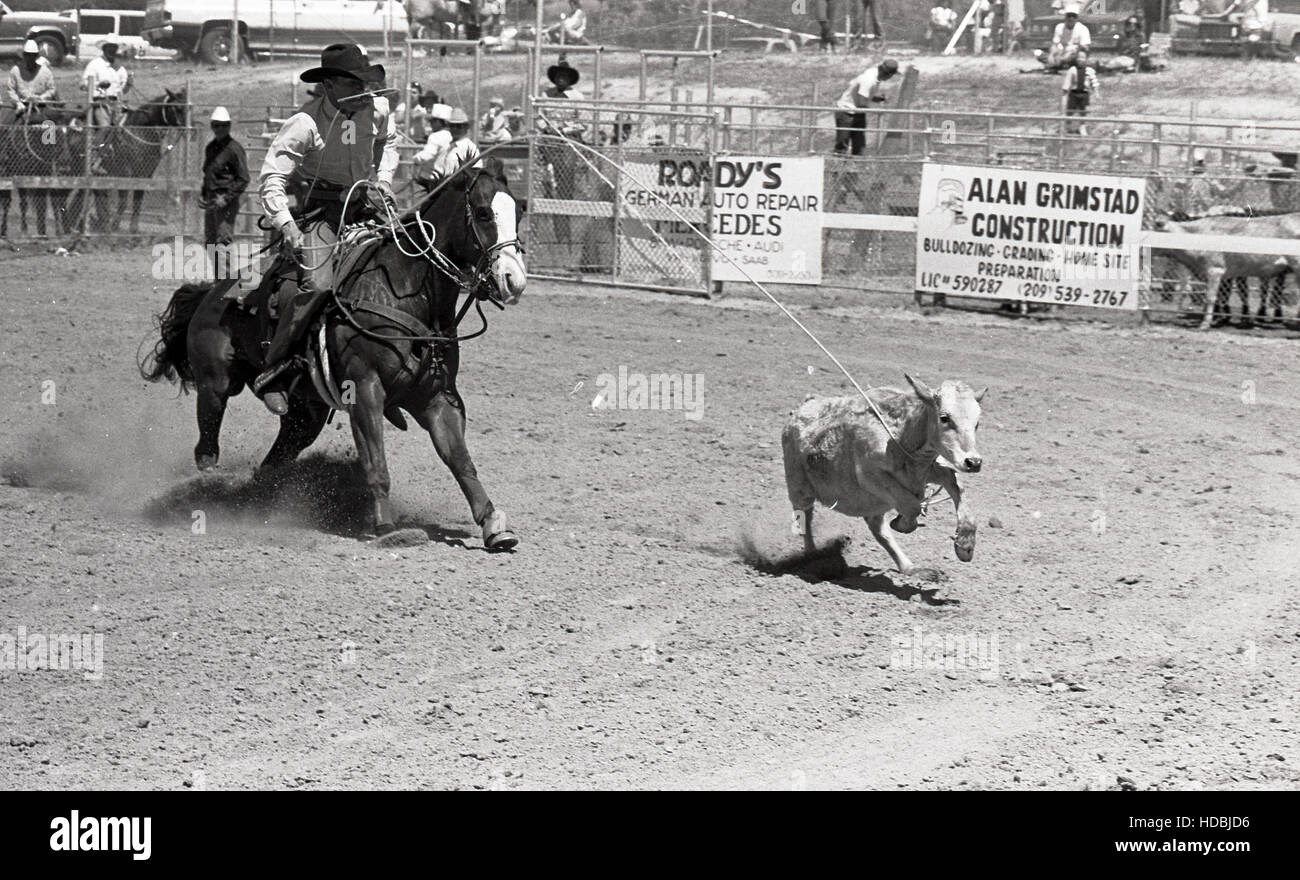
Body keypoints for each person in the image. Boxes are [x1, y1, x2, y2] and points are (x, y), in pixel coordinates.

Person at [251, 44, 400, 416]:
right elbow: (272, 177)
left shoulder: (377, 110)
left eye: (367, 82)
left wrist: (382, 179)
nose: (366, 91)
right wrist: (286, 224)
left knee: (410, 257)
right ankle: (276, 369)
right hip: (322, 210)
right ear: (331, 85)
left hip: (365, 203)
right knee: (317, 284)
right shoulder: (305, 123)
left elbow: (390, 142)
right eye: (356, 83)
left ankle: (402, 369)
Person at [200, 106, 249, 273]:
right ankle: (217, 279)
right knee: (211, 241)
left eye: (223, 125)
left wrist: (226, 198)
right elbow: (207, 173)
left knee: (223, 241)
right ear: (212, 127)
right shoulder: (211, 148)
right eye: (216, 125)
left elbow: (243, 178)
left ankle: (225, 282)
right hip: (211, 198)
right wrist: (204, 194)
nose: (219, 129)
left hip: (225, 199)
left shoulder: (234, 149)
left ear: (229, 126)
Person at [833, 58, 900, 156]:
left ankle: (856, 165)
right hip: (846, 111)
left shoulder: (875, 75)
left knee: (859, 143)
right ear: (889, 75)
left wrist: (876, 98)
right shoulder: (868, 79)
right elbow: (862, 103)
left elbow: (864, 95)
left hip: (857, 112)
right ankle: (838, 166)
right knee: (843, 141)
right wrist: (877, 110)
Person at [83, 35, 132, 127]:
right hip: (99, 102)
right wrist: (99, 85)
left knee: (124, 127)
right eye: (109, 48)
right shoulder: (95, 64)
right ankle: (97, 142)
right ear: (104, 49)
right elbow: (83, 84)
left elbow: (121, 91)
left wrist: (128, 84)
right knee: (104, 127)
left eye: (114, 48)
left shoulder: (119, 68)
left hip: (116, 104)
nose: (111, 51)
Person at [7, 39, 57, 116]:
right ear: (24, 55)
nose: (30, 58)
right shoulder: (15, 70)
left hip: (41, 107)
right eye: (28, 55)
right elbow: (11, 90)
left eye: (33, 55)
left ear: (36, 56)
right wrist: (17, 102)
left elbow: (51, 89)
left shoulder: (45, 72)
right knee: (8, 125)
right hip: (21, 107)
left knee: (50, 124)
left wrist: (41, 98)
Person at [430, 108, 482, 181]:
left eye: (458, 126)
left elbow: (476, 173)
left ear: (466, 127)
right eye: (452, 126)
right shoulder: (446, 146)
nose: (455, 129)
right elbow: (438, 169)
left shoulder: (470, 148)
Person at [413, 103, 453, 186]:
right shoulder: (452, 136)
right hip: (447, 179)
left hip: (431, 180)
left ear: (441, 122)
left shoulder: (435, 136)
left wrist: (415, 158)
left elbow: (427, 155)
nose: (430, 123)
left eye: (433, 121)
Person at [1061, 47, 1099, 136]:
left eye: (1082, 58)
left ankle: (1082, 127)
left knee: (1083, 111)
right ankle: (1067, 127)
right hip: (1074, 93)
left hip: (1084, 94)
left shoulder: (1089, 71)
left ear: (1086, 59)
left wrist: (1096, 92)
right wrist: (1065, 93)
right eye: (1078, 57)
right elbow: (1067, 82)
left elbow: (1094, 82)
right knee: (1070, 111)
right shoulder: (1072, 70)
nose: (1080, 60)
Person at [1049, 3, 1091, 69]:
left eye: (1074, 16)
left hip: (1075, 53)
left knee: (1081, 57)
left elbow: (1086, 47)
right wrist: (1051, 55)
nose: (1071, 18)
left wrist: (1072, 54)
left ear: (1077, 17)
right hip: (1062, 53)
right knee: (1039, 54)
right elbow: (1055, 44)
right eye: (1069, 15)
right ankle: (1058, 64)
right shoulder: (1059, 27)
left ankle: (1066, 64)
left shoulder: (1083, 29)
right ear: (1065, 16)